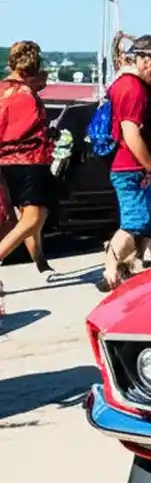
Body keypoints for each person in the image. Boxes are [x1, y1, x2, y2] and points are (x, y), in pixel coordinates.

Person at [99, 35, 151, 292]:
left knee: (144, 223)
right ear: (147, 61)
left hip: (132, 167)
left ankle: (131, 268)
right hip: (133, 167)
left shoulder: (128, 84)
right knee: (135, 223)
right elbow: (130, 133)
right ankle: (110, 269)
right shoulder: (132, 88)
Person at [0, 41, 57, 294]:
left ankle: (42, 264)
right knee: (33, 217)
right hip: (29, 161)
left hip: (7, 163)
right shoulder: (26, 96)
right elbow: (28, 132)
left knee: (32, 216)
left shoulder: (2, 90)